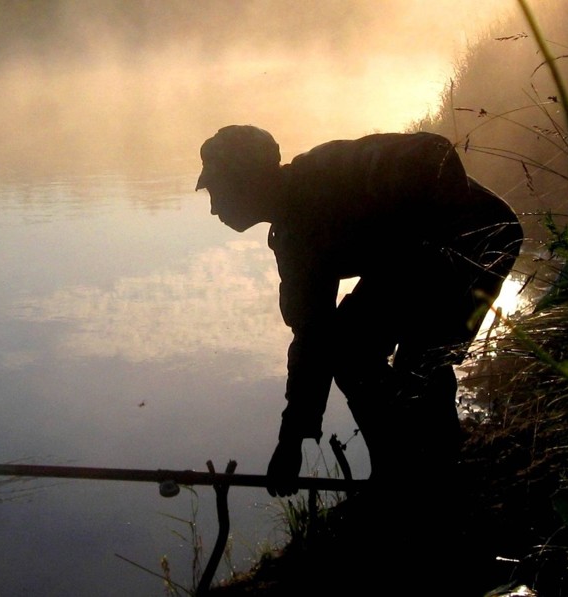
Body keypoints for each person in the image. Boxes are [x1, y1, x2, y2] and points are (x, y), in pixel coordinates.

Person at [194, 125, 522, 496]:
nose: (214, 208)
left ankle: (428, 473)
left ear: (248, 181)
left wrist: (413, 252)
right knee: (349, 349)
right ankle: (400, 469)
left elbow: (435, 150)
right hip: (422, 262)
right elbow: (311, 337)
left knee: (418, 359)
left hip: (482, 238)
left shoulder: (326, 174)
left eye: (218, 191)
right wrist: (291, 441)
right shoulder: (294, 238)